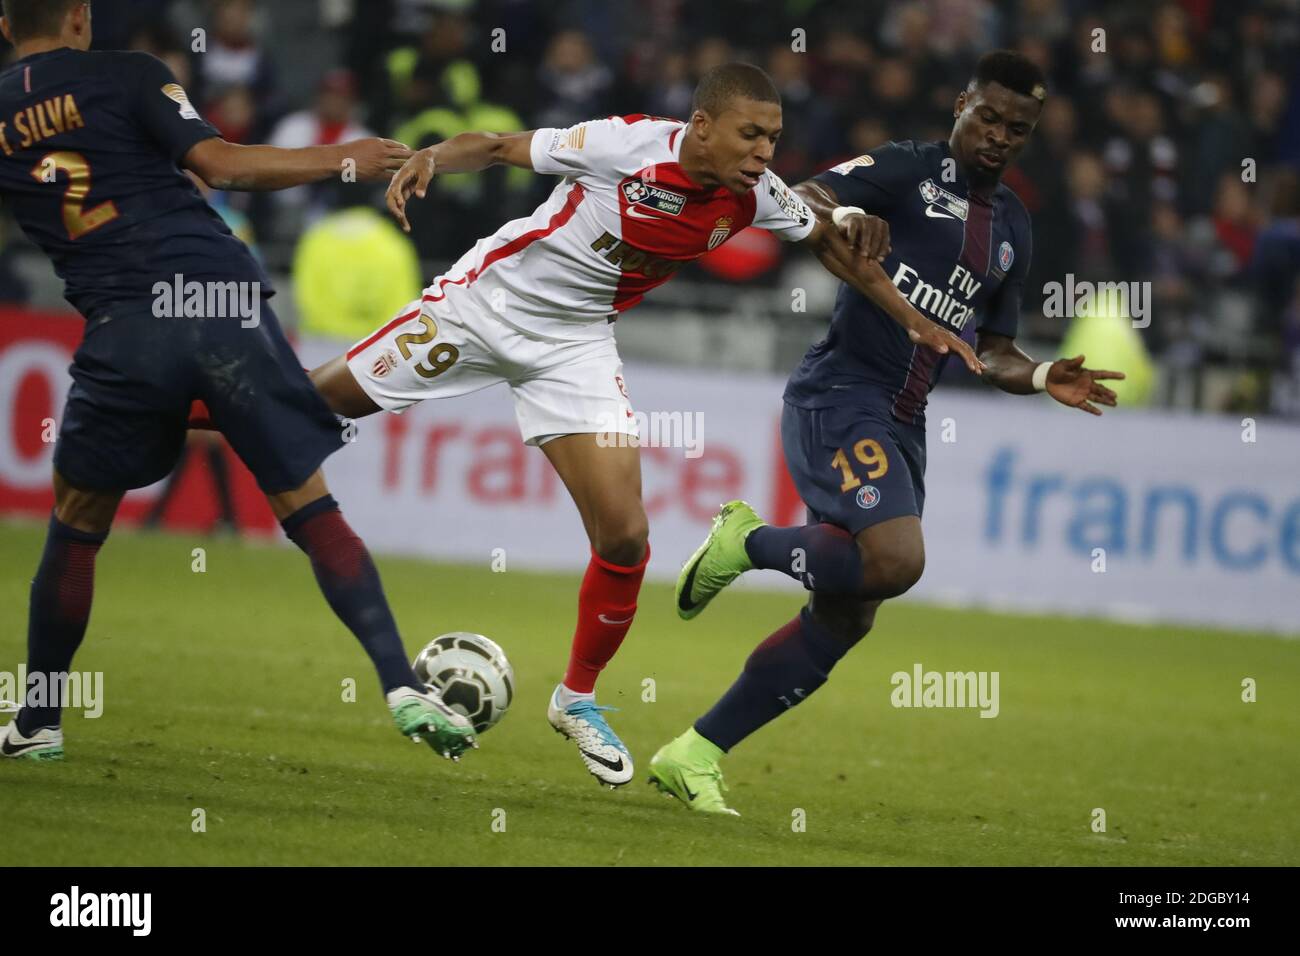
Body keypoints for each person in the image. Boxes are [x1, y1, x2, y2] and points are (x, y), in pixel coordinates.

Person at [308, 62, 981, 788]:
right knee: (304, 411)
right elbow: (502, 146)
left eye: (774, 137)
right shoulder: (622, 146)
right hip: (483, 307)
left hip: (575, 346)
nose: (763, 151)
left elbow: (826, 236)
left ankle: (576, 699)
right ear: (701, 126)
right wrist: (434, 156)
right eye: (750, 134)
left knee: (627, 535)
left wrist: (914, 320)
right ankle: (192, 404)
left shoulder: (756, 194)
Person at [652, 51, 1126, 815]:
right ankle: (747, 542)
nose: (1001, 136)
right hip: (841, 394)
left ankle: (694, 752)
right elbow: (797, 195)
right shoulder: (907, 169)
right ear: (962, 104)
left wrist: (1039, 376)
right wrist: (842, 212)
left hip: (904, 419)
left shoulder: (1012, 226)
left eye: (1019, 129)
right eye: (990, 118)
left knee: (851, 609)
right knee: (897, 558)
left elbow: (994, 348)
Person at [0, 0, 471, 763]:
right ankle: (400, 683)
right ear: (81, 17)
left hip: (125, 324)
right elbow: (220, 165)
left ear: (4, 27)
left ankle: (39, 722)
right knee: (308, 504)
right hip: (222, 301)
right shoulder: (128, 74)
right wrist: (342, 156)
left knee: (77, 521)